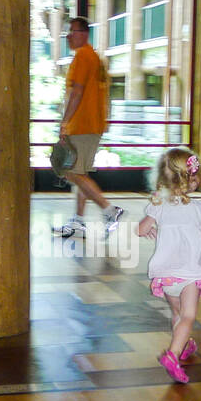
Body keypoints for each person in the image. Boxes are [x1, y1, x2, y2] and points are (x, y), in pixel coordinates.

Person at [137, 147, 201, 383]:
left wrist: (152, 228)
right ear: (191, 180)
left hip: (165, 274)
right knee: (188, 316)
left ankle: (183, 344)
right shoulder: (200, 209)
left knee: (176, 313)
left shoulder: (158, 206)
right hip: (190, 274)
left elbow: (141, 230)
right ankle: (172, 354)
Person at [53, 17, 124, 239]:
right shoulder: (94, 57)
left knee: (73, 172)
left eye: (71, 31)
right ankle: (79, 221)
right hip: (92, 125)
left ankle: (109, 210)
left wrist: (64, 122)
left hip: (82, 125)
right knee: (80, 172)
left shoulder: (83, 55)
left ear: (83, 34)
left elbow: (77, 92)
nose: (68, 36)